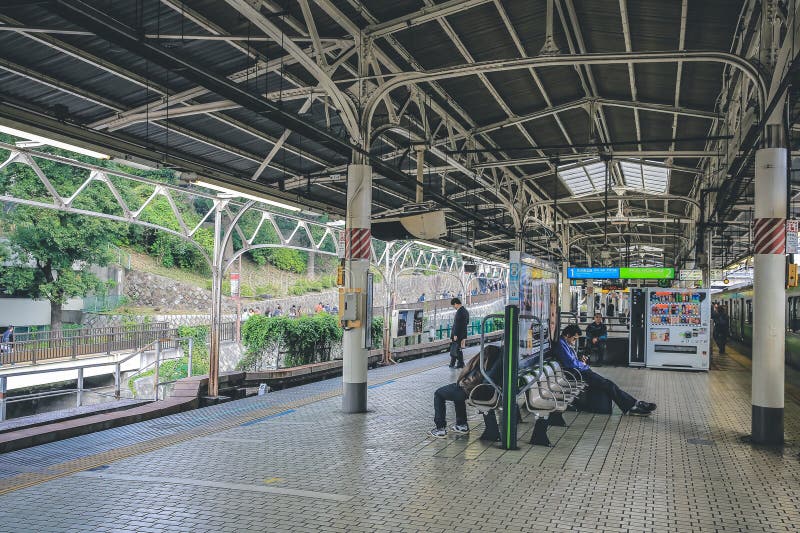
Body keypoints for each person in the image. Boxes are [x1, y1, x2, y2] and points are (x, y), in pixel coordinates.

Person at [552, 324, 656, 416]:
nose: (574, 342)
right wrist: (582, 364)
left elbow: (571, 360)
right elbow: (571, 363)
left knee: (608, 384)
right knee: (608, 385)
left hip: (580, 372)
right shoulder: (561, 345)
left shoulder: (565, 344)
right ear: (567, 335)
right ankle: (633, 405)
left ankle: (634, 404)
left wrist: (579, 359)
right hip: (577, 374)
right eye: (574, 339)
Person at [429, 344, 503, 438]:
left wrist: (463, 383)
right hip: (486, 392)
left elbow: (473, 379)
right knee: (456, 393)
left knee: (438, 393)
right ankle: (461, 425)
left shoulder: (486, 361)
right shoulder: (498, 359)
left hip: (474, 390)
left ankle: (440, 429)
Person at [449, 297, 469, 368]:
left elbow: (457, 324)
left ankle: (460, 363)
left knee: (457, 349)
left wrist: (455, 334)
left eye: (453, 306)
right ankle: (453, 363)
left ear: (456, 304)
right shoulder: (465, 311)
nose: (454, 307)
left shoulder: (460, 312)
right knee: (456, 348)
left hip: (458, 334)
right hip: (462, 333)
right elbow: (467, 322)